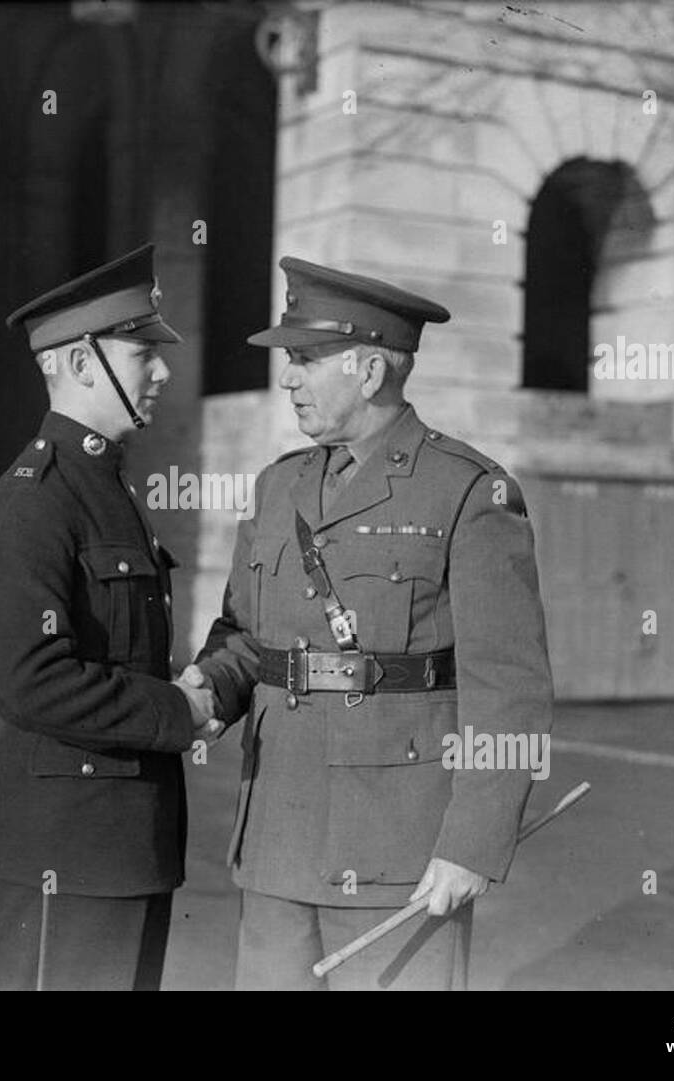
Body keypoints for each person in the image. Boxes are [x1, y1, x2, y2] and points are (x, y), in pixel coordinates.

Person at [184, 256, 554, 990]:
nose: (287, 378)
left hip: (400, 853)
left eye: (305, 359)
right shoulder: (276, 485)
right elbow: (245, 635)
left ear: (370, 370)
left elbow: (508, 686)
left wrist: (472, 843)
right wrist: (206, 692)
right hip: (277, 838)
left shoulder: (469, 492)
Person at [0, 244, 220, 991]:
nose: (163, 370)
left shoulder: (108, 488)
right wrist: (176, 708)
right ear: (78, 365)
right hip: (59, 853)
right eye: (143, 352)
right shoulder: (28, 504)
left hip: (124, 848)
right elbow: (32, 682)